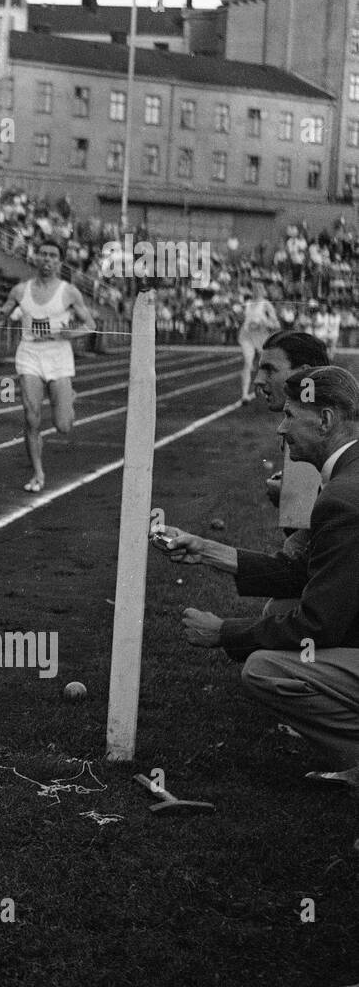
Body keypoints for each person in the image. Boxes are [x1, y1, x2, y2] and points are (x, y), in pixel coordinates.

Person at [157, 366, 359, 789]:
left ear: (325, 420)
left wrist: (224, 633)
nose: (281, 429)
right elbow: (301, 574)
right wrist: (206, 549)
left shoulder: (343, 497)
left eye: (290, 415)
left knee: (266, 668)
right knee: (281, 610)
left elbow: (319, 623)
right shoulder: (346, 477)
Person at [0, 241, 96, 492]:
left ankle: (69, 400)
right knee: (31, 418)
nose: (47, 260)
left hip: (58, 357)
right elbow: (3, 313)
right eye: (43, 254)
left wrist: (68, 335)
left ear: (60, 262)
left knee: (63, 426)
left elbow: (90, 325)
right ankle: (38, 473)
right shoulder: (20, 290)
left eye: (53, 256)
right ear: (36, 258)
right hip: (29, 354)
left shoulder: (69, 292)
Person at [255, 330, 329, 563]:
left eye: (270, 370)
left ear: (304, 373)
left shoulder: (305, 428)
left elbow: (305, 552)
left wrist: (291, 495)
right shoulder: (331, 409)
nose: (258, 380)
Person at [238, 281, 280, 403]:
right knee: (247, 362)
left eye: (259, 289)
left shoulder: (266, 305)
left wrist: (264, 323)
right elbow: (243, 318)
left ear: (262, 291)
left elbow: (276, 324)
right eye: (254, 289)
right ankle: (244, 394)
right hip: (247, 337)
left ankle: (265, 386)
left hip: (261, 337)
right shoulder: (247, 303)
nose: (256, 291)